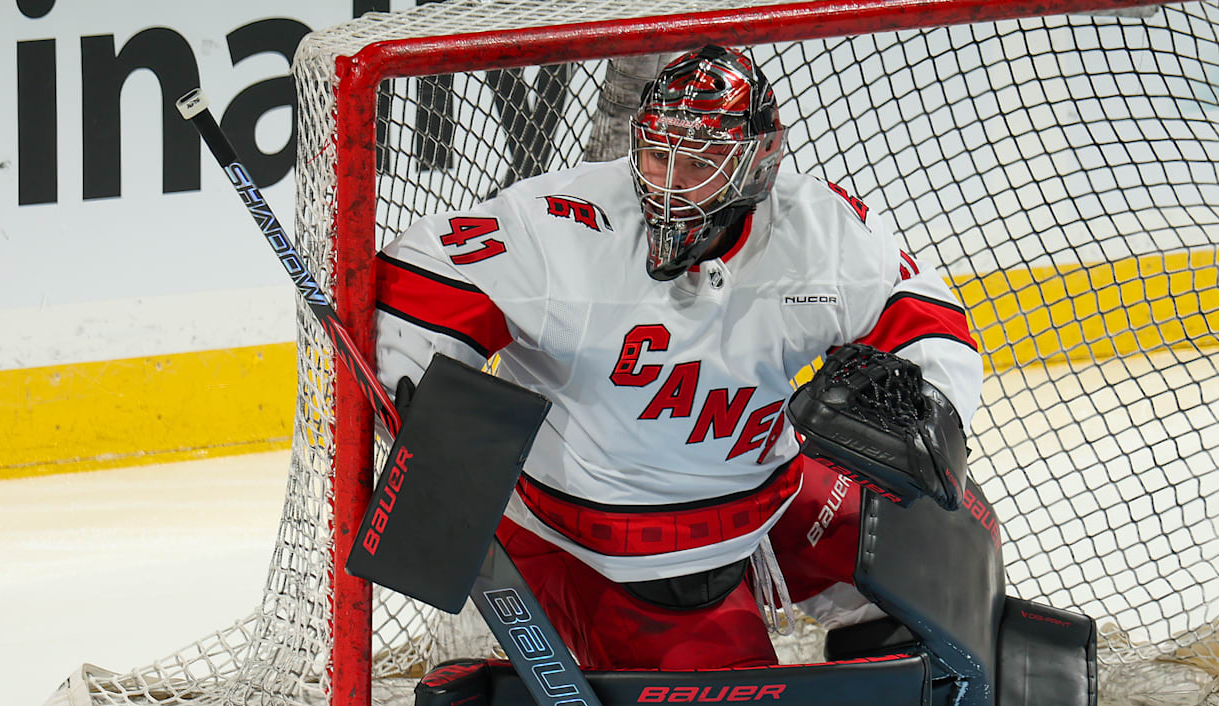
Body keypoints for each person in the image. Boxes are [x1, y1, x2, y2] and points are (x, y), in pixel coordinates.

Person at [373, 44, 983, 670]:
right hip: (604, 539)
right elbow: (430, 267)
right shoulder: (562, 226)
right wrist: (409, 377)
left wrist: (936, 403)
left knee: (941, 535)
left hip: (762, 495)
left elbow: (917, 306)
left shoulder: (819, 229)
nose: (668, 183)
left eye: (700, 163)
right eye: (659, 154)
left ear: (757, 163)